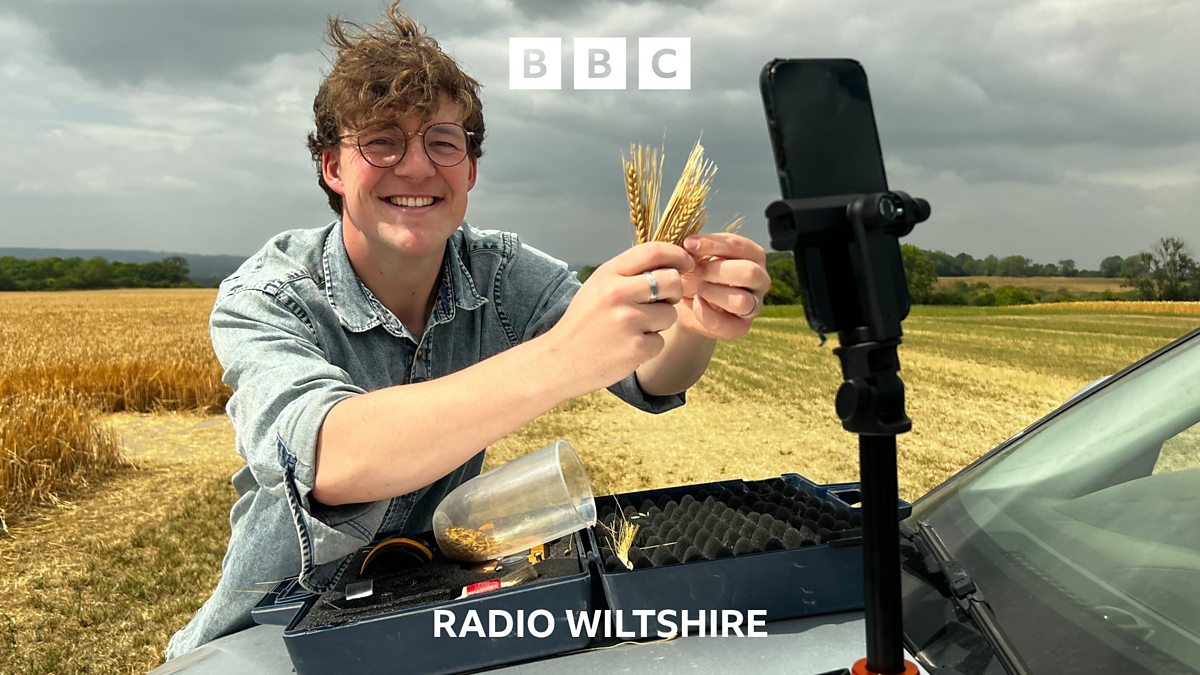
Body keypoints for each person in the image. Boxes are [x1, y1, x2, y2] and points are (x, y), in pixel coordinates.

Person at [165, 2, 769, 659]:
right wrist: (562, 356)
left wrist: (694, 318)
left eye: (442, 142)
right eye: (381, 140)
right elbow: (331, 458)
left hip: (432, 608)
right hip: (272, 632)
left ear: (471, 171)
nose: (417, 166)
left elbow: (649, 375)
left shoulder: (503, 271)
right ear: (332, 168)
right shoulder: (269, 295)